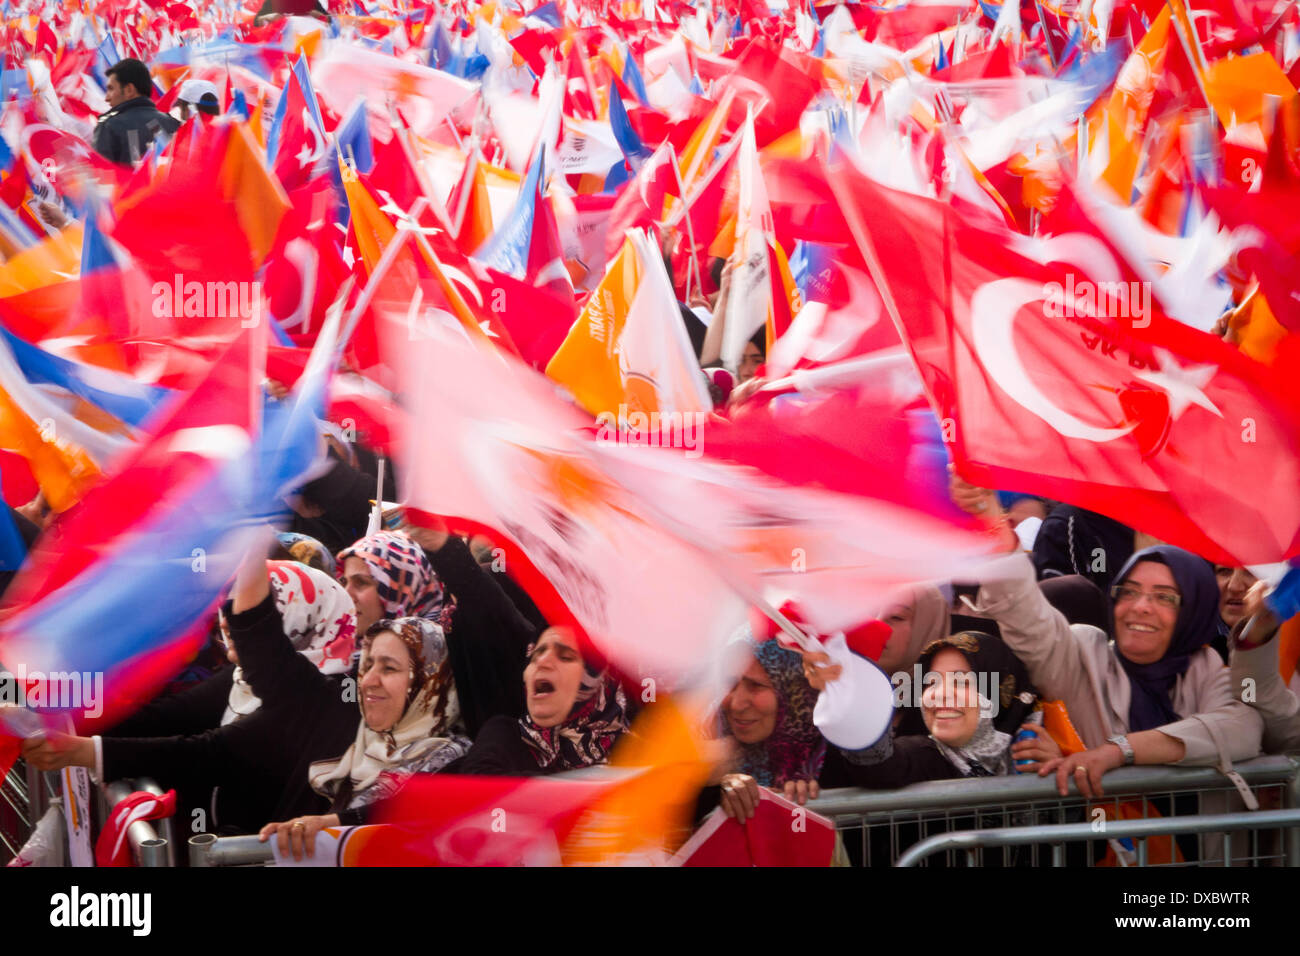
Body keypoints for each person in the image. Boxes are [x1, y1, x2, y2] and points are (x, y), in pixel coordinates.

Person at [950, 475, 1262, 788]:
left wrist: (1117, 752)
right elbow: (1026, 615)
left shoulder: (1211, 671)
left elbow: (1243, 729)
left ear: (1194, 609)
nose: (1140, 606)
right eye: (1129, 591)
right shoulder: (1085, 656)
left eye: (1164, 596)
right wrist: (991, 520)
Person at [20, 558, 360, 835]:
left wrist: (84, 751)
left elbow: (207, 753)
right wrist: (40, 705)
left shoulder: (319, 698)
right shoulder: (238, 678)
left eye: (254, 613)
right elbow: (159, 717)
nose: (226, 623)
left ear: (306, 618)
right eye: (228, 607)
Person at [262, 624, 631, 859]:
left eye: (565, 656)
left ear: (598, 683)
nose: (543, 663)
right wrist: (334, 821)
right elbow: (449, 794)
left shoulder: (641, 752)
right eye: (536, 655)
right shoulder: (508, 733)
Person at [816, 630, 1056, 789]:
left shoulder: (1039, 753)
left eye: (962, 682)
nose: (939, 694)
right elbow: (879, 766)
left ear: (1001, 693)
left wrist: (1057, 773)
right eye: (931, 682)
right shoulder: (926, 756)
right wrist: (847, 690)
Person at [711, 634, 826, 821]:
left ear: (793, 692)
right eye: (729, 683)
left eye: (755, 685)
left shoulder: (837, 755)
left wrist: (812, 802)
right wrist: (715, 790)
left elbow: (882, 775)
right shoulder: (703, 750)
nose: (736, 704)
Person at [92, 59, 180, 166]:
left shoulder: (109, 126)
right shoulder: (172, 123)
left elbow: (100, 175)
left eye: (111, 89)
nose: (107, 98)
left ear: (129, 90)